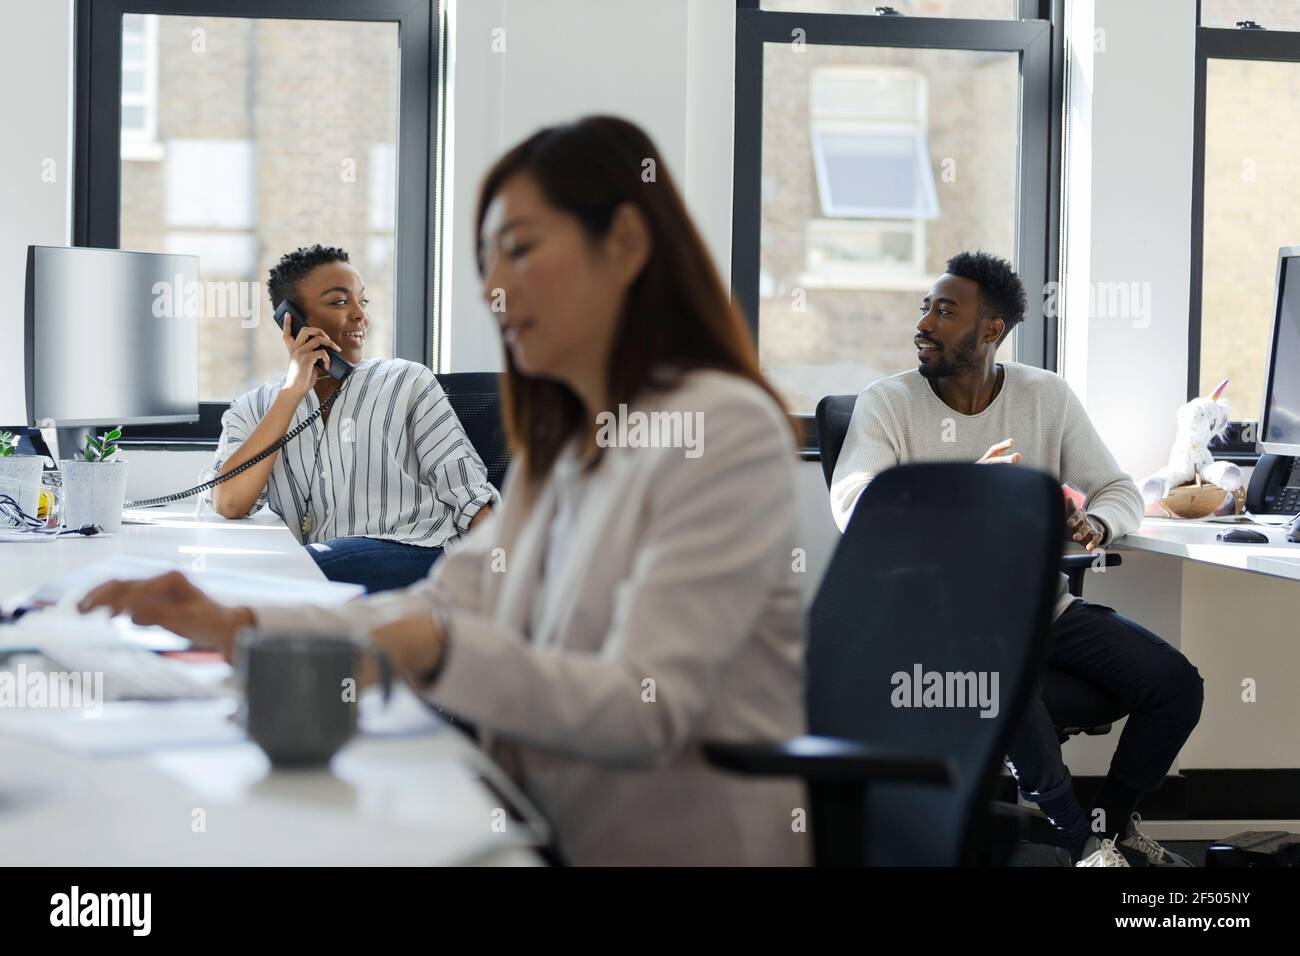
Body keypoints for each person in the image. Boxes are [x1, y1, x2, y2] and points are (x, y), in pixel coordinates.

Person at [80, 116, 808, 866]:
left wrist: (435, 649)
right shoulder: (561, 446)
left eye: (518, 250)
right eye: (484, 261)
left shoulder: (721, 429)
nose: (493, 288)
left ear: (623, 243)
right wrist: (234, 621)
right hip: (528, 820)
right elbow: (445, 602)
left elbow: (643, 706)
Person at [830, 251, 1204, 868]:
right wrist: (962, 491)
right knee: (1004, 684)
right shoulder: (887, 403)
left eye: (945, 312)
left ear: (991, 330)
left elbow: (1121, 491)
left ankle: (1112, 829)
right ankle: (1077, 843)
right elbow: (854, 506)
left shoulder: (1045, 397)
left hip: (1037, 608)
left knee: (1174, 685)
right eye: (924, 308)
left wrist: (1094, 521)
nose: (923, 323)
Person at [203, 245, 496, 593]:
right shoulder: (254, 408)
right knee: (282, 576)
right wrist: (293, 391)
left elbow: (468, 493)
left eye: (362, 302)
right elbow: (230, 502)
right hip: (328, 568)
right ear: (291, 320)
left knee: (282, 577)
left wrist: (504, 581)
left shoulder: (406, 380)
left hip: (419, 553)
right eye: (340, 302)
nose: (361, 316)